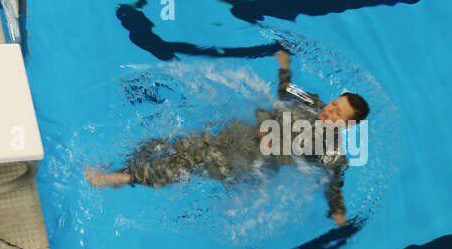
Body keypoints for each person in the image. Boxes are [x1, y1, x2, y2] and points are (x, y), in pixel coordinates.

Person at [85, 51, 368, 226]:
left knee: (192, 161)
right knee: (176, 143)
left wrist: (338, 211)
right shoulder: (314, 102)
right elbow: (285, 92)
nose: (329, 110)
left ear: (347, 125)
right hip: (240, 133)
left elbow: (334, 182)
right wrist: (284, 67)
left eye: (337, 113)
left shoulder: (331, 149)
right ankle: (132, 174)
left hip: (250, 159)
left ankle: (123, 179)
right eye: (333, 104)